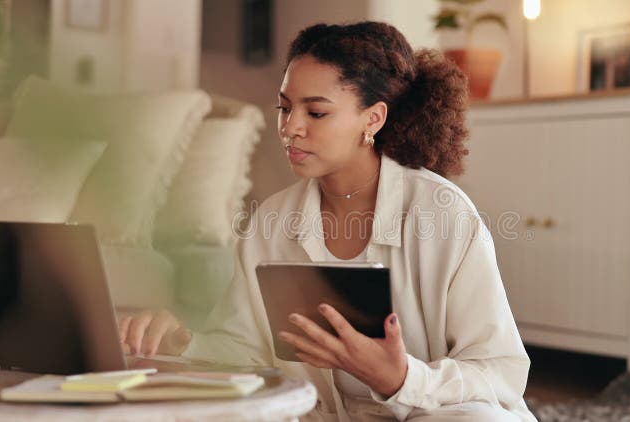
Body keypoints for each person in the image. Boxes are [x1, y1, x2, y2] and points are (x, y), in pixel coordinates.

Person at [120, 21, 537, 421]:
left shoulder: (445, 214)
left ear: (372, 119)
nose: (290, 128)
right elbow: (247, 349)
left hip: (436, 414)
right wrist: (185, 339)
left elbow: (500, 372)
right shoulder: (270, 222)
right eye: (284, 108)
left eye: (315, 113)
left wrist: (402, 379)